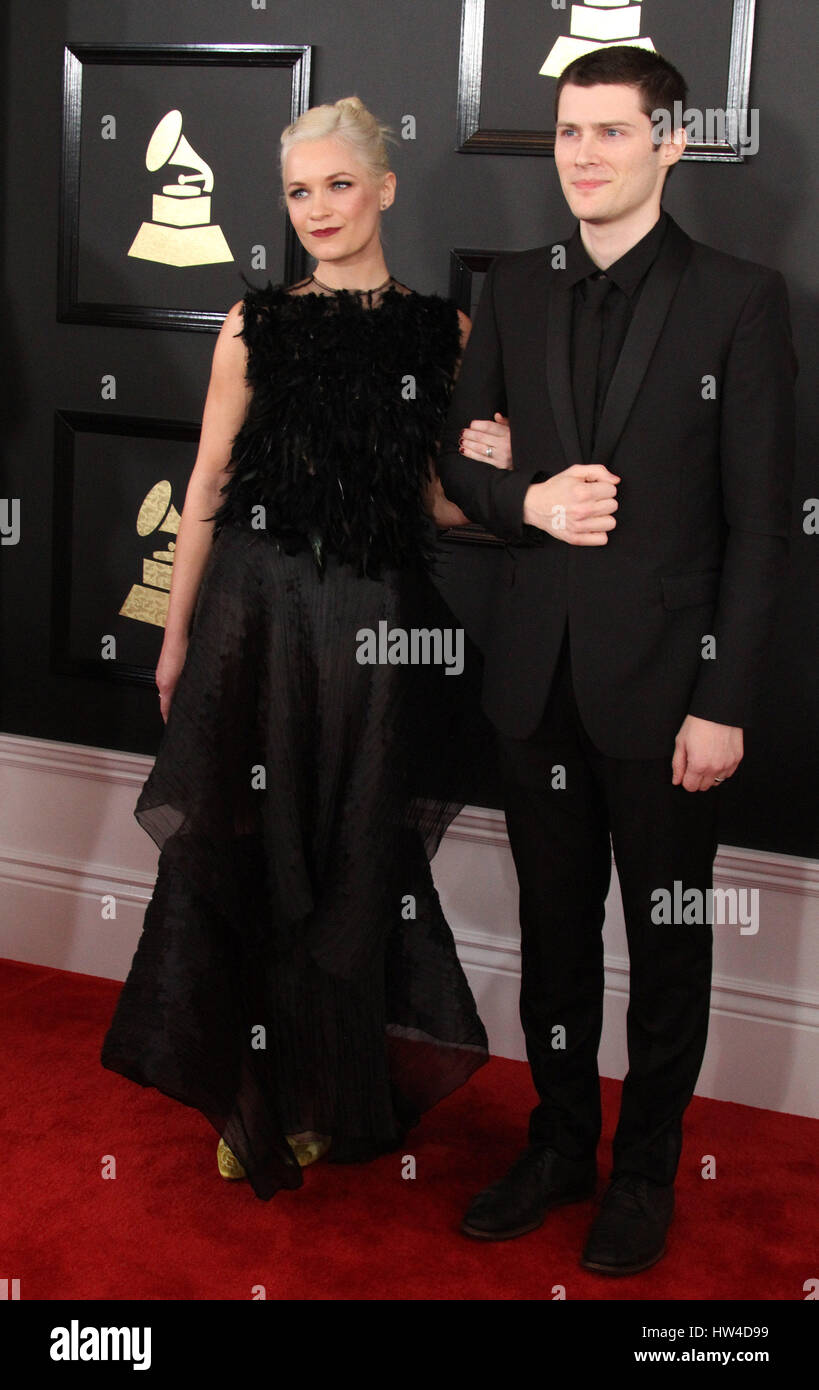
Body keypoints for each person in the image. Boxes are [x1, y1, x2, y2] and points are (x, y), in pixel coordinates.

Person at [101, 96, 508, 1200]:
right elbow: (205, 491)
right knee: (252, 854)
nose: (319, 209)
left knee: (349, 857)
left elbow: (433, 496)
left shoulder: (443, 335)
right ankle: (253, 1098)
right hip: (253, 621)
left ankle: (330, 1093)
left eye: (339, 185)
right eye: (298, 191)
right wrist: (177, 636)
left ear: (382, 188)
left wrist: (520, 486)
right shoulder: (256, 327)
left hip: (374, 633)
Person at [437, 46, 796, 1273]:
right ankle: (556, 1143)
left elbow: (760, 528)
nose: (582, 154)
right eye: (567, 132)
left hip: (670, 695)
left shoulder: (740, 300)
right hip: (534, 679)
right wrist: (526, 499)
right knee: (551, 933)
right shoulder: (518, 286)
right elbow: (458, 462)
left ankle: (644, 1172)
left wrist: (726, 701)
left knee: (669, 939)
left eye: (608, 131)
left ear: (670, 141)